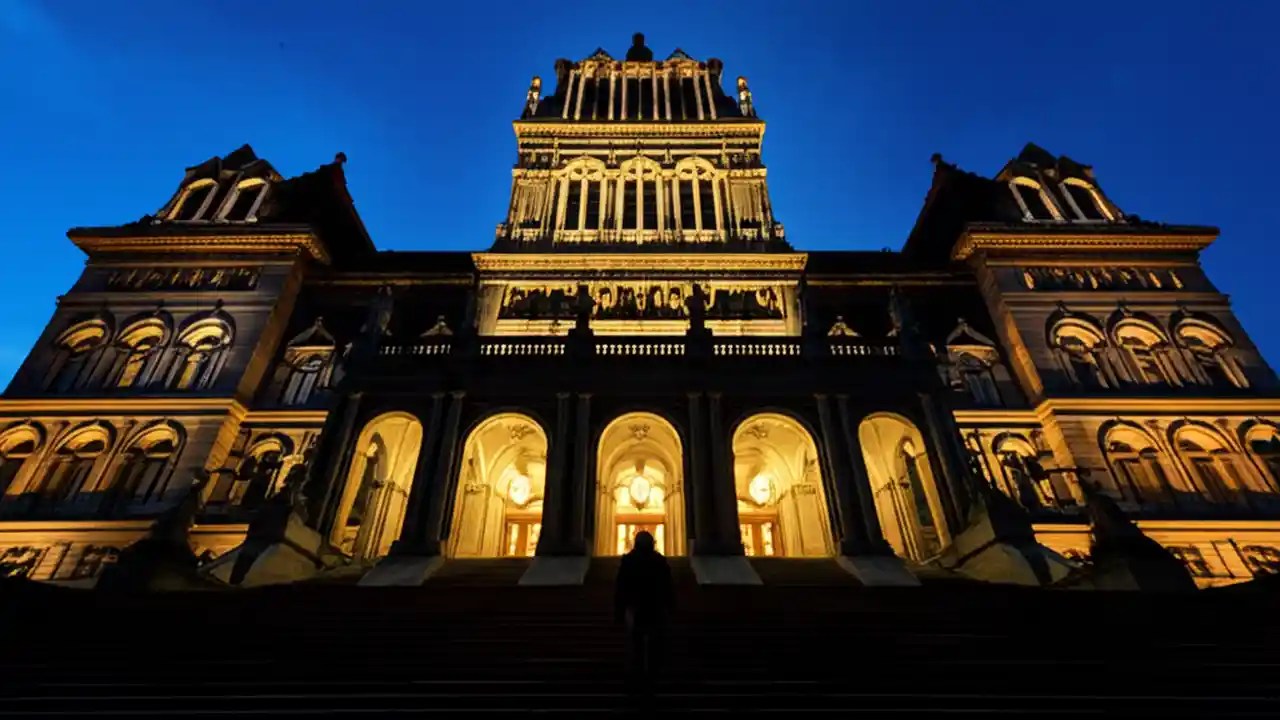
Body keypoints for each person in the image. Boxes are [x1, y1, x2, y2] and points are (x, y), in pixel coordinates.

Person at [614, 530, 673, 685]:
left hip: (637, 607)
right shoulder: (659, 561)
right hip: (654, 607)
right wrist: (670, 607)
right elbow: (668, 586)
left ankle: (637, 673)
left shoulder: (629, 561)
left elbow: (621, 587)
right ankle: (652, 673)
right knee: (653, 641)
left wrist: (620, 610)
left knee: (636, 641)